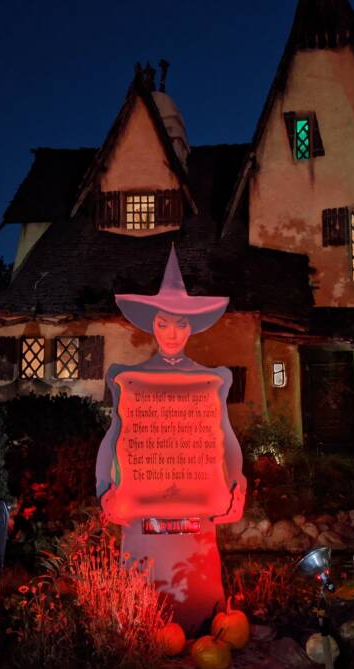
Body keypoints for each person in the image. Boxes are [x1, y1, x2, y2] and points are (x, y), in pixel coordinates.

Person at [95, 245, 246, 633]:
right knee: (143, 607)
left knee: (199, 607)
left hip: (194, 515)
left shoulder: (209, 381)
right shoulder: (132, 380)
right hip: (145, 515)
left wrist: (236, 482)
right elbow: (116, 435)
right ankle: (140, 632)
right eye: (164, 324)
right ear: (152, 326)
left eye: (181, 324)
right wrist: (105, 488)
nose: (173, 333)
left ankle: (201, 626)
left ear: (192, 327)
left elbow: (223, 435)